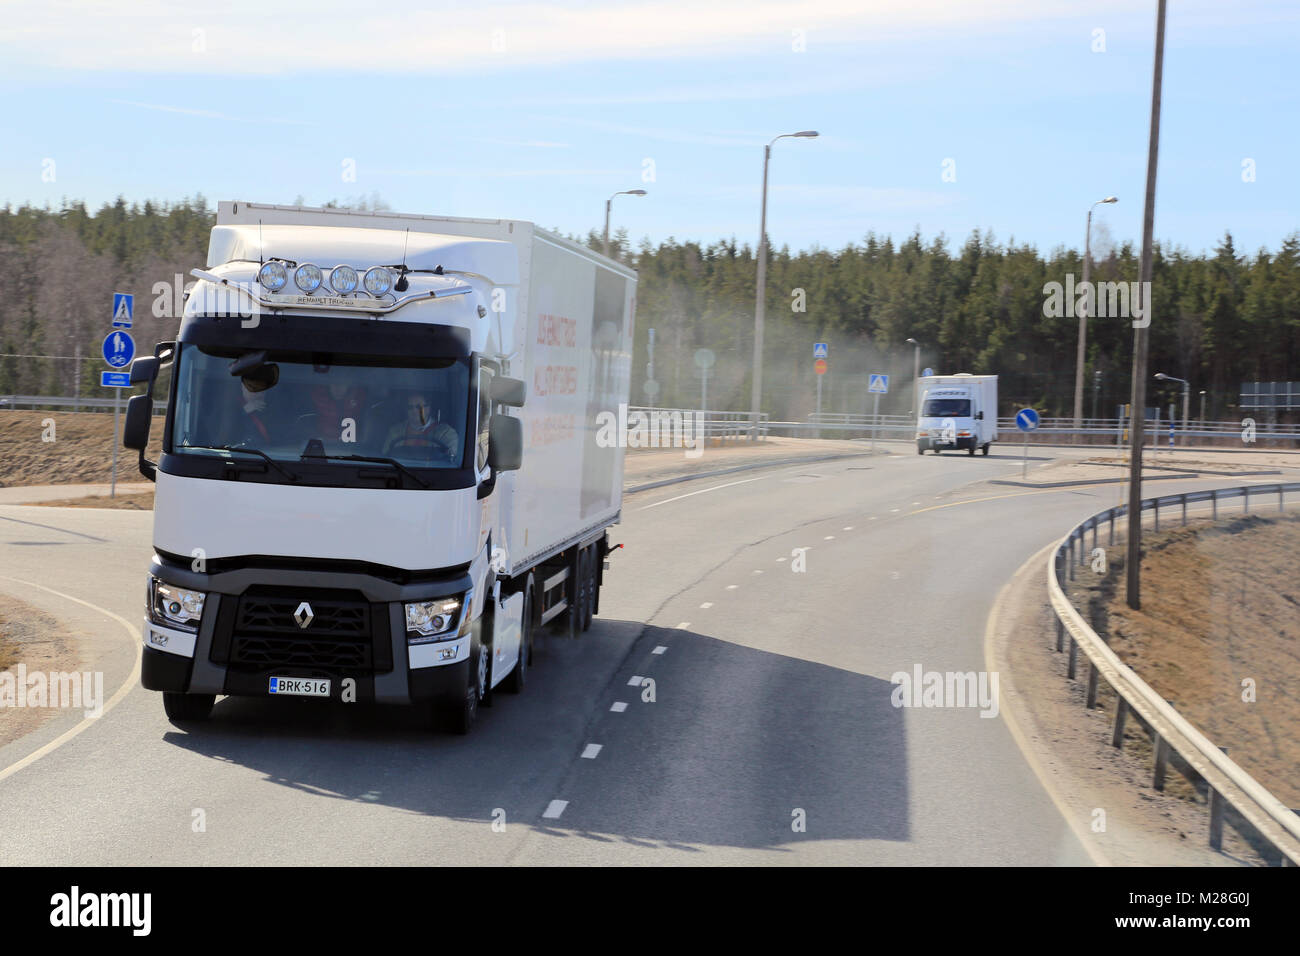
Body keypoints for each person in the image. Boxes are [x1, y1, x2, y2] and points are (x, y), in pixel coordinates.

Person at [384, 391, 459, 462]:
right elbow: (386, 456)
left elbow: (452, 458)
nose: (414, 410)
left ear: (428, 408)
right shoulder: (395, 431)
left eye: (418, 406)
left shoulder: (445, 432)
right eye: (410, 407)